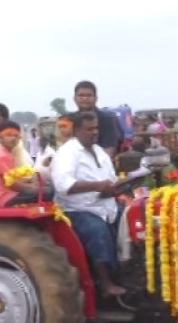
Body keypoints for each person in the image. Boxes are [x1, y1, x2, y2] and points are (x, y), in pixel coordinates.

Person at [51, 111, 127, 299]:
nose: (94, 132)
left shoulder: (99, 151)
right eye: (89, 129)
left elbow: (110, 178)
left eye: (96, 128)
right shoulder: (67, 153)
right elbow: (63, 185)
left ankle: (128, 271)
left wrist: (118, 186)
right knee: (97, 231)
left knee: (133, 220)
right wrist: (97, 186)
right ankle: (105, 283)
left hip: (105, 205)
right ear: (76, 130)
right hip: (78, 209)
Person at [0, 121, 43, 207]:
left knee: (41, 190)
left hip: (4, 194)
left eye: (16, 135)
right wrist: (30, 188)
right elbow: (10, 183)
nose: (13, 138)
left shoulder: (7, 153)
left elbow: (12, 179)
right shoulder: (2, 156)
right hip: (3, 196)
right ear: (0, 138)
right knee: (47, 192)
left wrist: (28, 185)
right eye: (9, 135)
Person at [73, 81, 123, 158]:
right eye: (81, 95)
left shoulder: (107, 119)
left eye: (89, 95)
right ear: (74, 98)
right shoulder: (71, 119)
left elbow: (109, 150)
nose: (85, 98)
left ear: (96, 98)